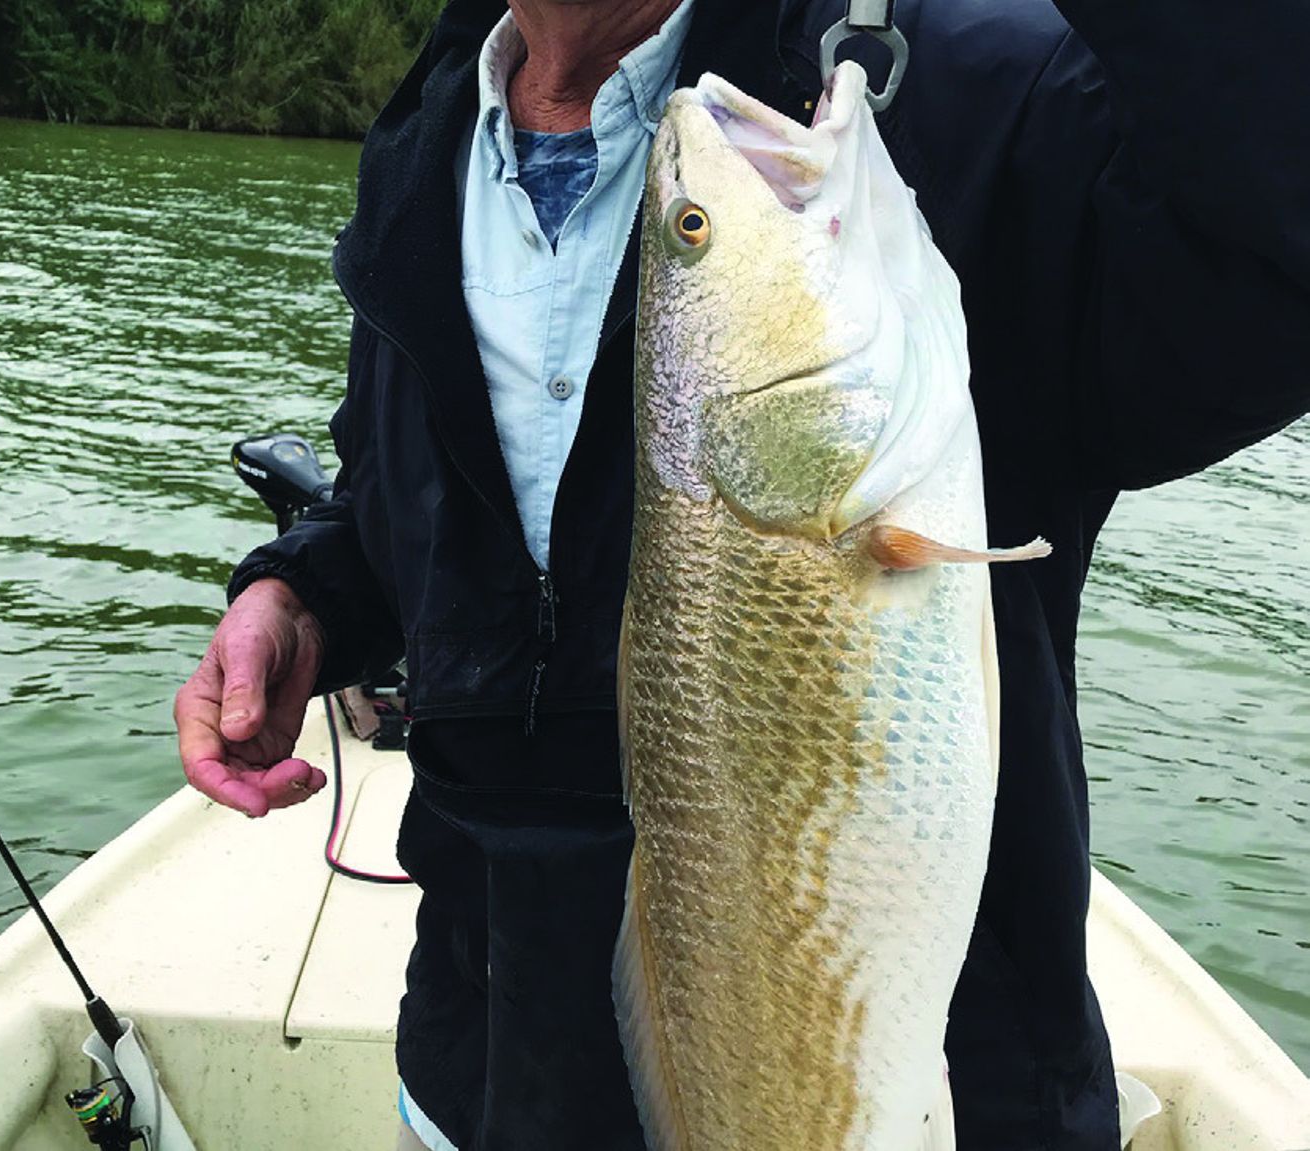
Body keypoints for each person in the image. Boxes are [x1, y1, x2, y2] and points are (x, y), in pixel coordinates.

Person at [172, 0, 1310, 1147]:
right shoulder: (433, 124)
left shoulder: (949, 89)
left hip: (902, 1087)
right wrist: (308, 597)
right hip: (484, 1069)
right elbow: (406, 486)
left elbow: (1273, 237)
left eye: (696, 231)